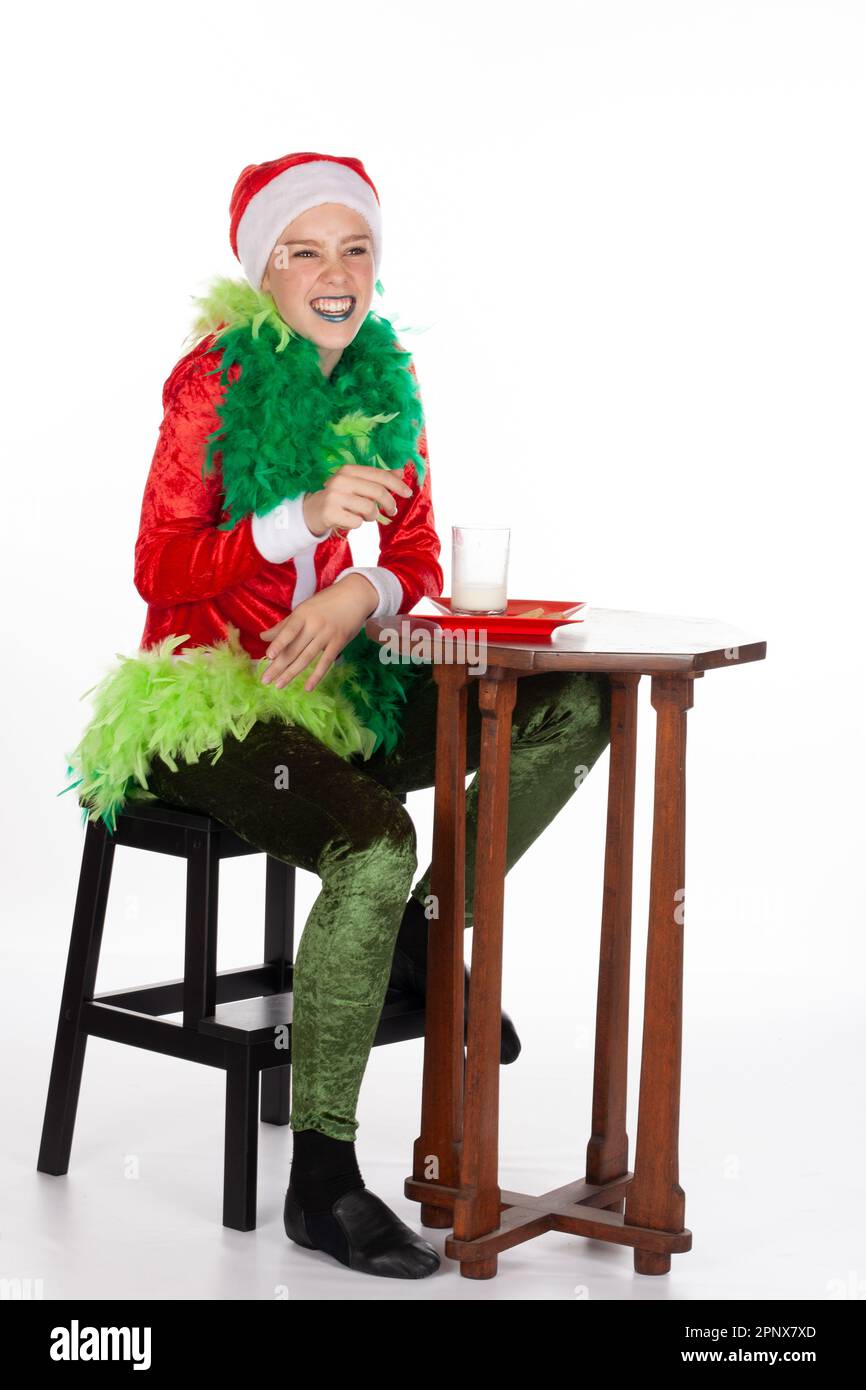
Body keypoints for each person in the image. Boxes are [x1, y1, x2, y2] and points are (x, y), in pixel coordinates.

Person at [61, 151, 612, 1280]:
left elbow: (411, 552)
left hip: (339, 687)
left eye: (355, 248)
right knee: (370, 840)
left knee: (565, 701)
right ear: (264, 269)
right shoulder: (210, 381)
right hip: (209, 703)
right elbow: (158, 567)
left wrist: (363, 587)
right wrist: (294, 517)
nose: (336, 272)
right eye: (306, 250)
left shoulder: (382, 382)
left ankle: (419, 935)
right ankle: (321, 1179)